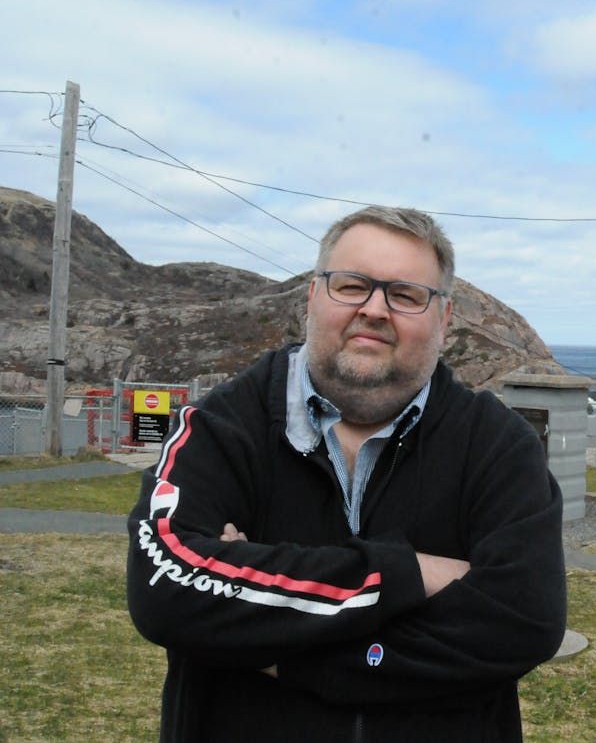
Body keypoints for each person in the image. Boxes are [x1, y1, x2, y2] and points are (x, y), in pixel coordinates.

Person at [126, 206, 567, 742]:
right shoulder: (220, 427)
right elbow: (166, 589)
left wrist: (280, 647)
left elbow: (523, 622)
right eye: (352, 285)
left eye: (406, 295)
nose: (375, 309)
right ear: (313, 296)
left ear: (444, 319)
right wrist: (407, 576)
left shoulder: (498, 446)